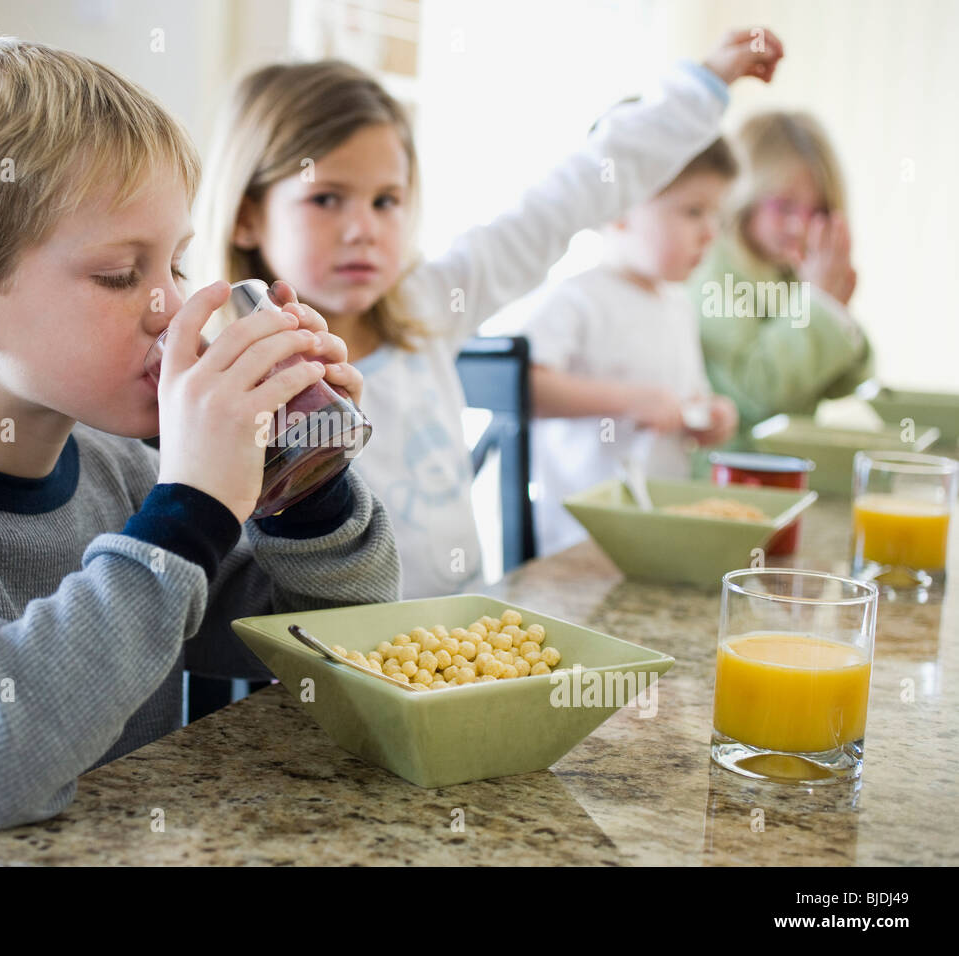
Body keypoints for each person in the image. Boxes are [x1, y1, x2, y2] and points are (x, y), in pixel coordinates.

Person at [0, 38, 399, 867]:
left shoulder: (124, 471)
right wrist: (191, 512)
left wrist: (299, 474)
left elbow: (329, 648)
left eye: (173, 261)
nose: (172, 308)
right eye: (118, 274)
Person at [192, 29, 783, 597]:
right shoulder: (225, 380)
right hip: (315, 667)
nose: (363, 230)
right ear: (247, 215)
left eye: (387, 200)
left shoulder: (430, 305)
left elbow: (564, 198)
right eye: (326, 198)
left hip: (458, 649)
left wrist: (699, 88)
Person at [521, 137, 741, 555]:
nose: (711, 232)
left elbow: (685, 398)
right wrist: (627, 401)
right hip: (579, 539)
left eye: (716, 214)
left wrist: (708, 414)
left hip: (659, 528)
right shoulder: (577, 298)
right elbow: (525, 387)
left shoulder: (678, 306)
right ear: (619, 209)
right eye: (693, 211)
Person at [690, 111, 873, 447]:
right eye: (784, 207)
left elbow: (845, 385)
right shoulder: (710, 266)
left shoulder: (793, 272)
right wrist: (820, 305)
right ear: (744, 196)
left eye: (816, 212)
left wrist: (836, 311)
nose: (799, 227)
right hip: (726, 471)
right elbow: (756, 392)